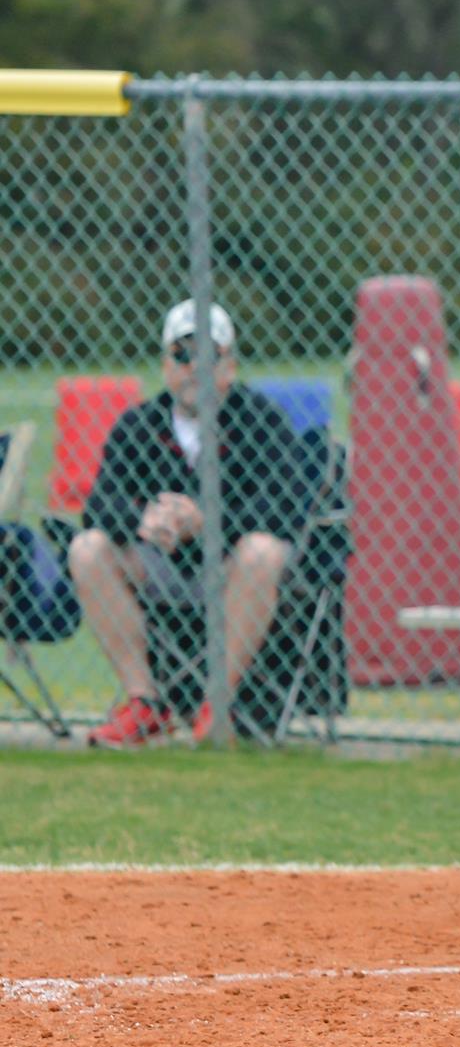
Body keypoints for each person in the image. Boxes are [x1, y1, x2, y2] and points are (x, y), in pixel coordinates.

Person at [71, 299, 305, 747]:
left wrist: (207, 523)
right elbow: (98, 504)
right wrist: (143, 519)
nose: (193, 367)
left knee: (261, 551)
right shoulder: (139, 424)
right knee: (88, 549)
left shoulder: (262, 422)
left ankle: (218, 702)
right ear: (165, 364)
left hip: (234, 571)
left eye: (208, 355)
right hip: (163, 567)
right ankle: (144, 703)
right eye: (181, 355)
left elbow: (285, 509)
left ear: (230, 365)